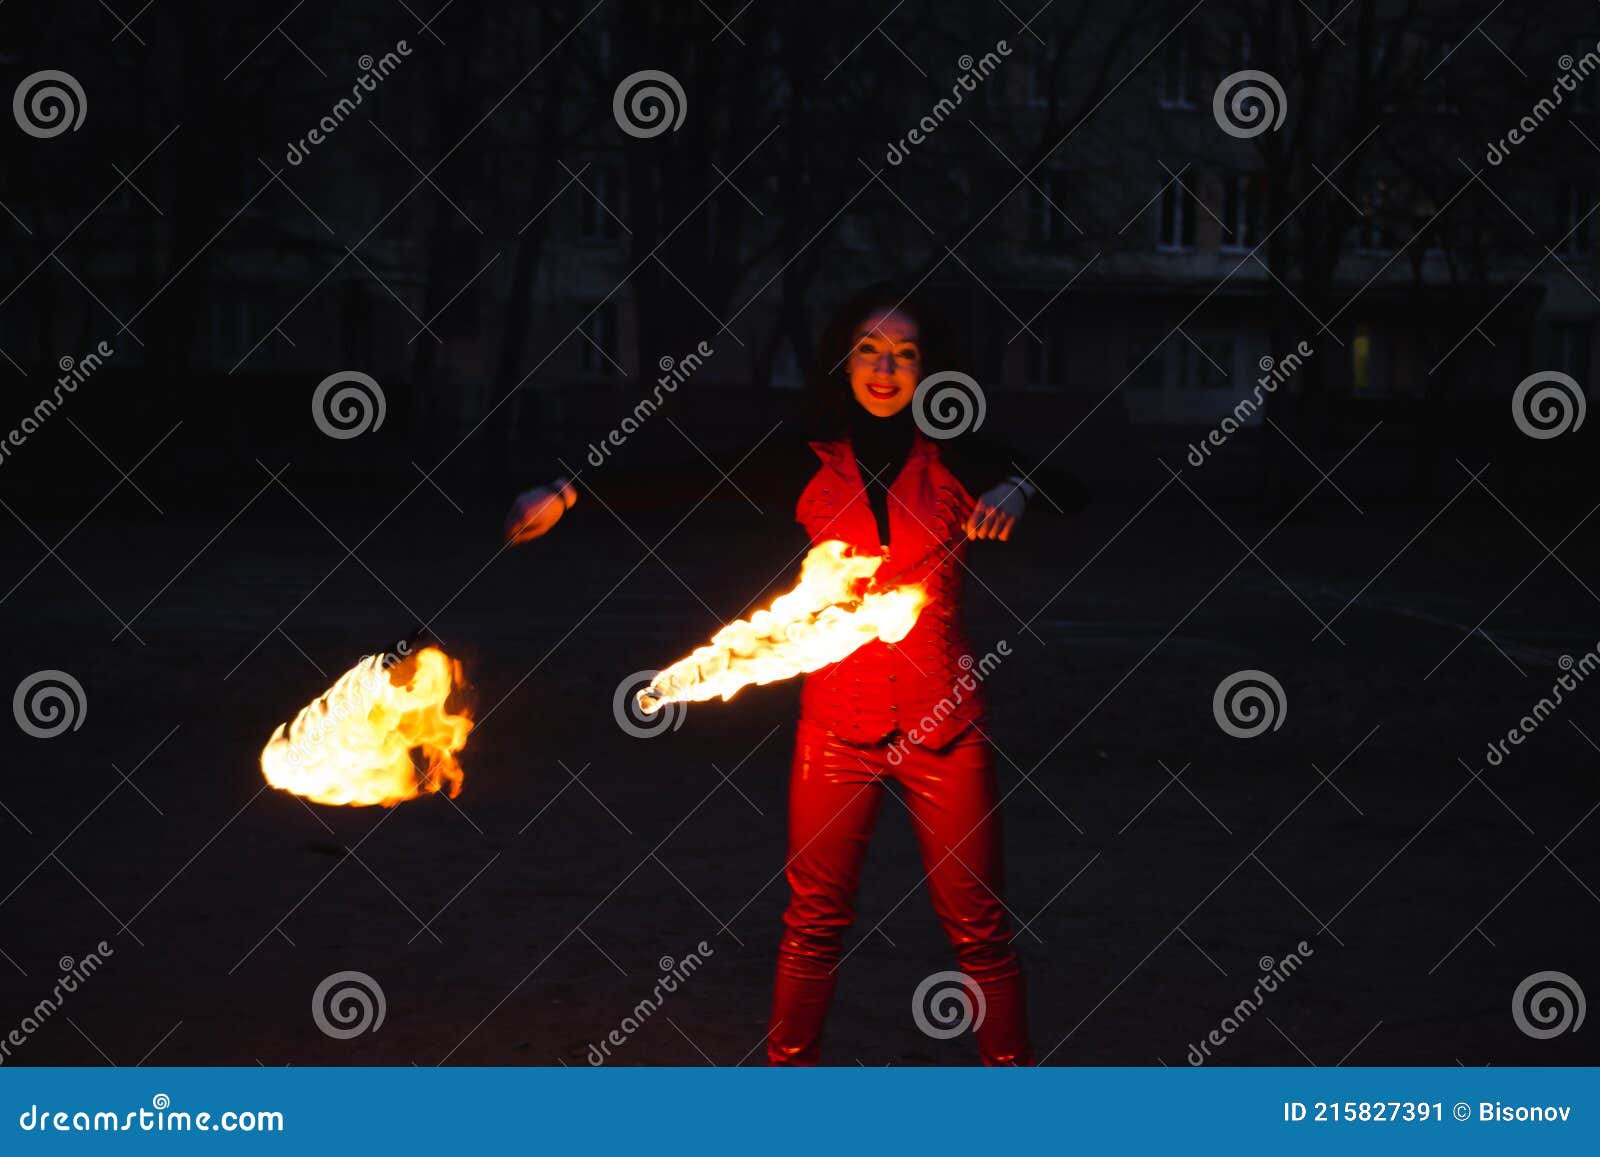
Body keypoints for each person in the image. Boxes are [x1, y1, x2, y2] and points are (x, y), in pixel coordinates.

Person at [504, 283, 1088, 1065]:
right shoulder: (804, 461)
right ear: (844, 363)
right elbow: (690, 472)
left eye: (905, 355)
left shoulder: (958, 456)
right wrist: (569, 492)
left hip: (943, 726)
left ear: (928, 369)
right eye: (870, 351)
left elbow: (1071, 485)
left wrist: (1019, 484)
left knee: (979, 925)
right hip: (835, 732)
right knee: (811, 924)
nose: (886, 369)